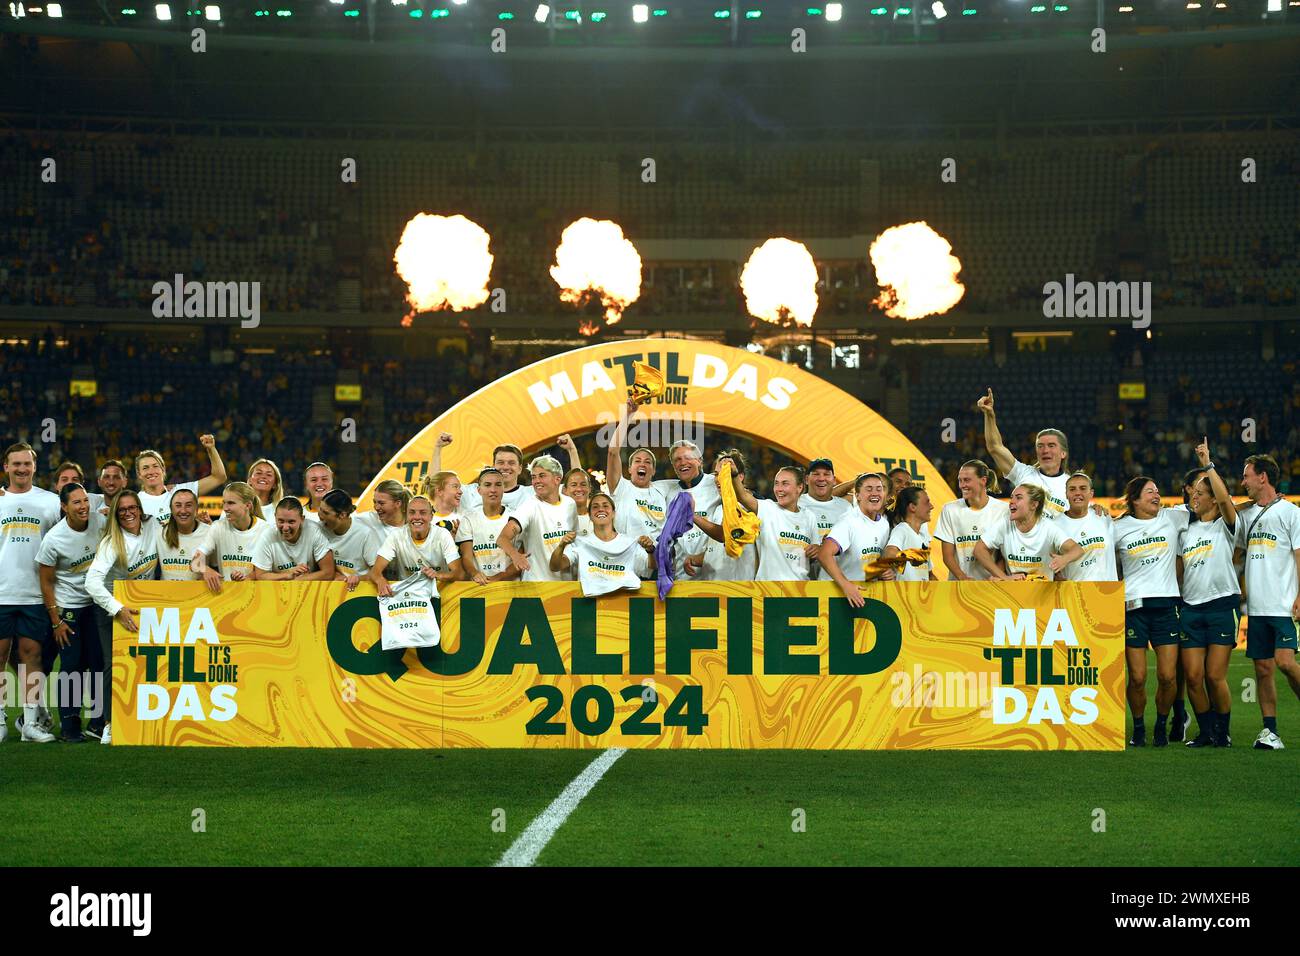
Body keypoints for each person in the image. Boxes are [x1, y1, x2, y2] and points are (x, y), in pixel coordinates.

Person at [1112, 476, 1191, 747]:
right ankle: (1137, 728)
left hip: (1167, 607)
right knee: (1137, 678)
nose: (1156, 495)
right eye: (1149, 492)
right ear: (1134, 499)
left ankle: (1160, 723)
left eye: (1158, 491)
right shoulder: (1118, 527)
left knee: (1168, 677)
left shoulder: (1172, 517)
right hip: (1133, 607)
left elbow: (1213, 507)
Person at [85, 489, 162, 746]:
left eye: (132, 508)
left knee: (151, 663)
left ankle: (149, 717)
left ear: (140, 509)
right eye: (122, 510)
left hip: (145, 607)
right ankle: (109, 723)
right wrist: (117, 608)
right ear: (116, 515)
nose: (128, 513)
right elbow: (92, 582)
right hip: (112, 609)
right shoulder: (111, 542)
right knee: (113, 665)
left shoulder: (155, 528)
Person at [1235, 453, 1300, 750]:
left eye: (1247, 475)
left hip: (1283, 605)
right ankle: (1270, 731)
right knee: (1263, 669)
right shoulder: (1246, 516)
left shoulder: (1290, 512)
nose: (1243, 481)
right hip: (1257, 609)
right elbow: (1236, 552)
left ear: (1263, 477)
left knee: (1286, 663)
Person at [0, 442, 63, 743]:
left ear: (35, 467)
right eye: (16, 464)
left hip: (36, 594)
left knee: (32, 655)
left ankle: (31, 722)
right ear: (6, 468)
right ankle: (0, 718)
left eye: (27, 464)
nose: (22, 469)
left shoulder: (50, 502)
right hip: (1, 592)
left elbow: (64, 542)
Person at [1177, 441, 1238, 748]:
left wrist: (1208, 464)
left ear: (1214, 499)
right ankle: (1206, 731)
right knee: (1192, 677)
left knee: (1215, 676)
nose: (1194, 497)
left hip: (1221, 604)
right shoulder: (1185, 531)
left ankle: (1222, 732)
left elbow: (1227, 500)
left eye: (1200, 494)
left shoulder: (1226, 526)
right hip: (1191, 608)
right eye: (1193, 493)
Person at [36, 482, 106, 741]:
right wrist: (56, 621)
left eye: (85, 500)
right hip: (70, 609)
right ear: (64, 507)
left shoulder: (100, 522)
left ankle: (98, 721)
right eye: (76, 502)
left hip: (96, 605)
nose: (83, 506)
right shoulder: (54, 538)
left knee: (98, 664)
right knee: (71, 666)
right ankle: (69, 724)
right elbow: (46, 581)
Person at [977, 387, 1070, 520]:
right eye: (1040, 446)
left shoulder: (1071, 485)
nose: (1045, 450)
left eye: (1051, 445)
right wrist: (989, 415)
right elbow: (995, 447)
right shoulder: (1024, 473)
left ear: (1063, 453)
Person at [723, 465, 818, 582]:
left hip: (801, 589)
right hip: (768, 589)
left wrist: (816, 550)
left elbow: (815, 553)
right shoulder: (767, 508)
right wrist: (734, 474)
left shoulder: (810, 517)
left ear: (799, 487)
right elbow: (742, 496)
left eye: (785, 483)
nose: (779, 489)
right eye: (776, 483)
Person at [549, 493, 654, 596]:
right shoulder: (580, 542)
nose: (600, 509)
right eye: (595, 507)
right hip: (590, 604)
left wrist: (650, 550)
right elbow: (555, 566)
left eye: (605, 506)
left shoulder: (629, 542)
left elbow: (652, 566)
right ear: (589, 515)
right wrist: (561, 546)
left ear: (613, 513)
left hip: (623, 603)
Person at [973, 484, 1082, 581]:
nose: (1011, 501)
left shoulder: (1048, 527)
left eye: (1018, 498)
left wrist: (1065, 559)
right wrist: (1004, 577)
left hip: (1043, 594)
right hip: (1014, 593)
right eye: (1012, 497)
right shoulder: (1005, 524)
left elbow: (1077, 549)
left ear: (1034, 505)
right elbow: (979, 550)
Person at [819, 473, 896, 607]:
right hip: (834, 594)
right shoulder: (848, 522)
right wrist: (846, 585)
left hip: (859, 595)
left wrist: (883, 571)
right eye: (869, 489)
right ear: (857, 496)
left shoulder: (883, 524)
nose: (875, 493)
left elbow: (870, 558)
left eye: (879, 489)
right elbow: (824, 554)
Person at [498, 455, 578, 583]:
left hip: (566, 586)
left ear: (557, 479)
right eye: (533, 477)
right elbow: (502, 538)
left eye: (542, 476)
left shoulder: (570, 504)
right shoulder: (529, 506)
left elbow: (574, 542)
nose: (536, 481)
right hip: (536, 584)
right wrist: (515, 556)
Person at [685, 449, 758, 582]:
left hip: (738, 589)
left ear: (739, 476)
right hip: (713, 586)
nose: (719, 479)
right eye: (716, 474)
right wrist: (696, 558)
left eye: (724, 473)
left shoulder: (749, 507)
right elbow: (718, 552)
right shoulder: (718, 508)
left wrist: (692, 516)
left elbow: (726, 535)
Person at [368, 495, 463, 594]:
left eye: (423, 513)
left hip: (438, 592)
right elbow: (375, 572)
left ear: (431, 516)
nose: (417, 517)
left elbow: (459, 573)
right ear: (407, 516)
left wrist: (438, 575)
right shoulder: (396, 535)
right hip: (407, 595)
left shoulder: (443, 535)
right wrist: (380, 580)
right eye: (412, 512)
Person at [935, 459, 1009, 581]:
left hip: (991, 585)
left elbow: (1003, 554)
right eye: (960, 480)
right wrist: (962, 577)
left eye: (967, 480)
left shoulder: (1003, 509)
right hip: (959, 585)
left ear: (983, 481)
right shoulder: (949, 509)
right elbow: (947, 556)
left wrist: (997, 577)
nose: (962, 485)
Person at [605, 399, 667, 543]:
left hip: (655, 562)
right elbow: (613, 452)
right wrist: (628, 415)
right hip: (625, 559)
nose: (642, 464)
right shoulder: (621, 487)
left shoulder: (663, 490)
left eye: (648, 462)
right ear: (629, 469)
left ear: (653, 471)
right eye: (637, 461)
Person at [134, 435, 228, 525]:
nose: (151, 471)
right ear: (139, 474)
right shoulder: (136, 503)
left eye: (155, 466)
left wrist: (211, 449)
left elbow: (219, 477)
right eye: (145, 468)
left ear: (163, 469)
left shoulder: (181, 491)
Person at [251, 497, 336, 581]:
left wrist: (300, 580)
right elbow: (260, 575)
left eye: (291, 522)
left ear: (302, 519)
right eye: (281, 521)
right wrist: (288, 575)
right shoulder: (267, 535)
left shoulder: (314, 531)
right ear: (275, 517)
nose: (285, 528)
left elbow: (328, 573)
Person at [316, 489, 383, 591]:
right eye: (320, 509)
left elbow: (377, 572)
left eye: (325, 512)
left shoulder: (365, 534)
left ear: (342, 515)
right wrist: (335, 574)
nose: (320, 516)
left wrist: (357, 579)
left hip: (360, 591)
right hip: (330, 591)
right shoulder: (319, 529)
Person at [1056, 473, 1117, 581]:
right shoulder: (1055, 525)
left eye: (1083, 488)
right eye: (1072, 489)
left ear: (1091, 493)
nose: (1078, 493)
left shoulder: (1103, 516)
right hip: (1076, 593)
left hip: (1109, 593)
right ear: (1066, 494)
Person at [465, 468, 519, 583]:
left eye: (498, 485)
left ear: (504, 488)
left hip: (510, 588)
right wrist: (475, 573)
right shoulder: (468, 519)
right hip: (479, 587)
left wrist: (496, 578)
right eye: (487, 485)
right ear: (479, 490)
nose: (493, 490)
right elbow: (466, 558)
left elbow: (521, 557)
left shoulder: (516, 517)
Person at [158, 488, 219, 589]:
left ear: (196, 509)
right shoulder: (160, 533)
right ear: (171, 509)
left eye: (188, 505)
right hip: (167, 596)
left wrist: (208, 571)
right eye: (178, 505)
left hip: (197, 596)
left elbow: (216, 566)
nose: (183, 510)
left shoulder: (210, 532)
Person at [211, 481, 268, 582]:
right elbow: (206, 562)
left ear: (248, 505)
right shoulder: (219, 527)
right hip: (226, 594)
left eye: (231, 503)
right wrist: (206, 570)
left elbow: (268, 569)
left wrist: (247, 578)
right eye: (224, 502)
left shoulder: (265, 530)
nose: (225, 508)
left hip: (256, 593)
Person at [422, 471, 476, 572]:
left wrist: (461, 543)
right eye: (455, 486)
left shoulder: (465, 519)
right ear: (439, 491)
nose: (460, 491)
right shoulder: (421, 520)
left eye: (459, 487)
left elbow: (475, 556)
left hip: (459, 583)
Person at [883, 487, 938, 582]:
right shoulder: (902, 529)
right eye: (927, 502)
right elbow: (889, 555)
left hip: (920, 595)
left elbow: (930, 575)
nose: (931, 506)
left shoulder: (923, 537)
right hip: (905, 595)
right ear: (912, 507)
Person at [801, 457, 852, 549]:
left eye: (826, 474)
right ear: (806, 479)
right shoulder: (795, 504)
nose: (821, 478)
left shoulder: (846, 507)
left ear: (834, 480)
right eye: (816, 474)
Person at [246, 458, 287, 522]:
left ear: (275, 484)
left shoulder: (282, 512)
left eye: (269, 475)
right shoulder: (238, 507)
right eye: (259, 473)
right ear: (250, 480)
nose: (263, 476)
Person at [563, 467, 596, 540]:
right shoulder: (557, 518)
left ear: (589, 489)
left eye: (583, 484)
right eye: (574, 485)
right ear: (565, 490)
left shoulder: (598, 516)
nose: (579, 489)